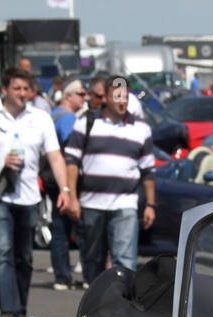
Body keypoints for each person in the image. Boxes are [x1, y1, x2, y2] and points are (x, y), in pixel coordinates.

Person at [0, 69, 71, 317]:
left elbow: (55, 156)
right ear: (5, 90)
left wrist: (65, 188)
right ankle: (7, 312)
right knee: (2, 254)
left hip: (29, 197)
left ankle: (20, 309)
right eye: (17, 88)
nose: (22, 94)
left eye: (26, 89)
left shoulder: (40, 118)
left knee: (24, 257)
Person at [62, 75, 156, 283]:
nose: (122, 101)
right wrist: (72, 197)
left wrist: (150, 204)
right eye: (117, 96)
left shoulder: (141, 128)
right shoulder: (86, 123)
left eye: (125, 96)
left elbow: (148, 171)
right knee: (93, 259)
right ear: (106, 98)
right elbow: (71, 162)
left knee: (124, 261)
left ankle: (122, 311)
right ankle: (95, 309)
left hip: (125, 204)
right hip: (92, 204)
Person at [49, 80, 87, 290]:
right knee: (72, 225)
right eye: (80, 94)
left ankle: (61, 275)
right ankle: (66, 275)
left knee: (59, 226)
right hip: (66, 178)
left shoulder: (54, 114)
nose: (84, 98)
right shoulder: (68, 119)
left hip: (52, 179)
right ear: (69, 96)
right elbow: (75, 145)